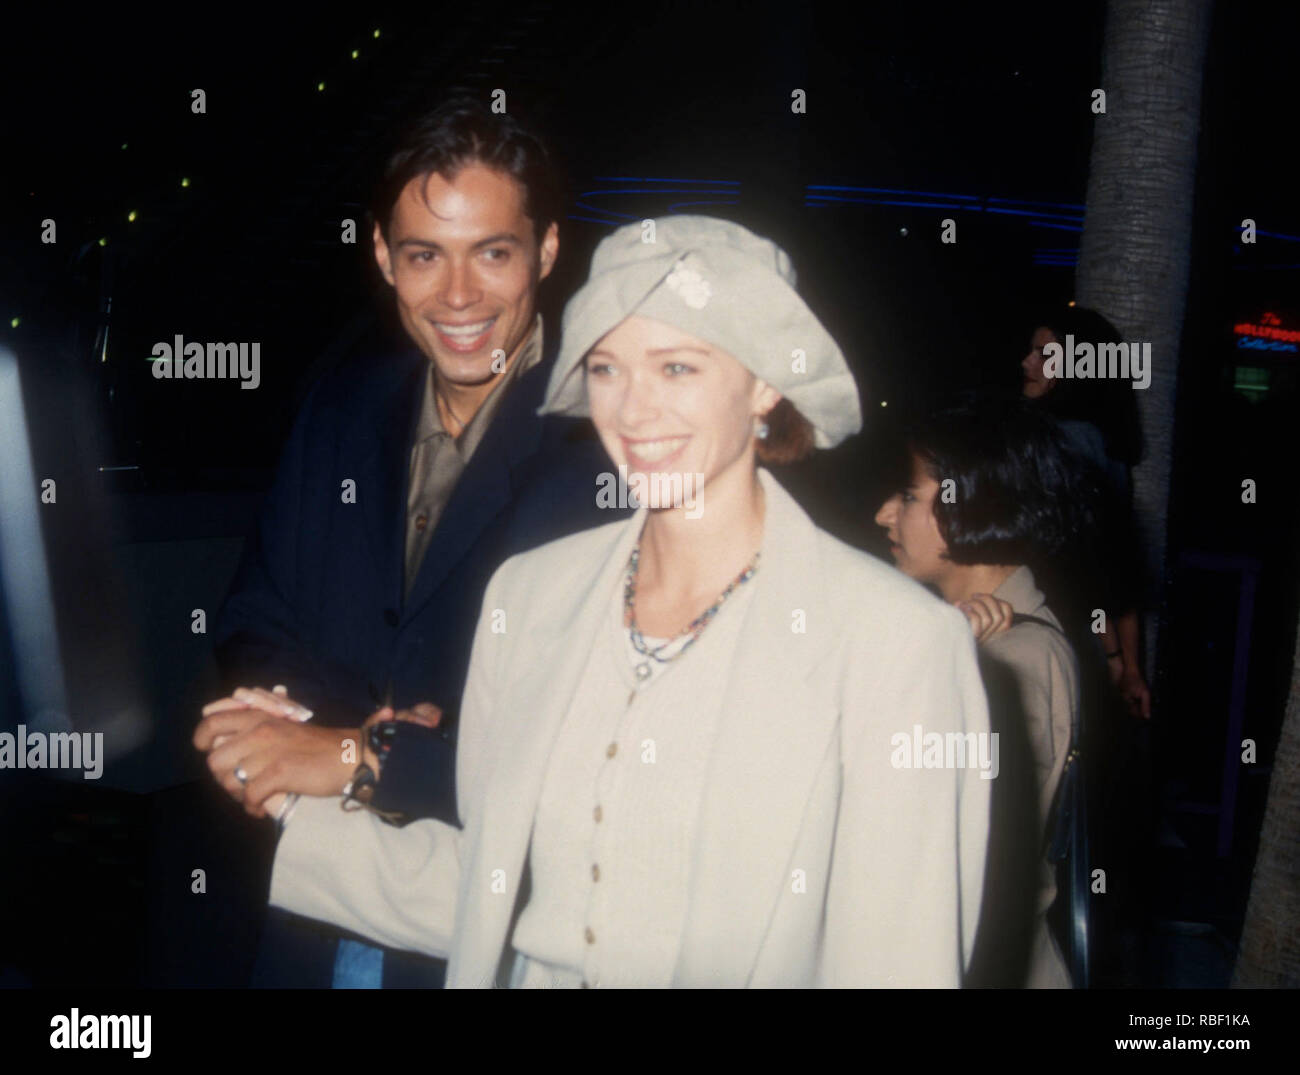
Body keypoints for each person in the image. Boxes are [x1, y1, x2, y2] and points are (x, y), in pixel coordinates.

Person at [212, 216, 993, 987]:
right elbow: (491, 888)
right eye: (607, 369)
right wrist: (287, 786)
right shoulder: (530, 595)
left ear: (762, 385)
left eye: (677, 368)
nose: (631, 410)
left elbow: (896, 963)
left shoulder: (894, 644)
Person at [193, 97, 629, 988]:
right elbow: (256, 610)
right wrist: (273, 725)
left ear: (546, 252)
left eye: (492, 253)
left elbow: (607, 738)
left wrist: (370, 760)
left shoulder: (616, 441)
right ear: (385, 258)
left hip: (490, 916)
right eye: (425, 255)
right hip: (313, 892)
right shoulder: (341, 405)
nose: (458, 295)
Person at [874, 399, 1095, 987]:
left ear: (973, 503)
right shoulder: (962, 635)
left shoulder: (1014, 658)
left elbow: (935, 848)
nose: (883, 515)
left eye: (909, 496)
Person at [1020, 304, 1149, 719]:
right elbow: (1119, 567)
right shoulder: (1101, 441)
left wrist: (1112, 654)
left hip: (1058, 634)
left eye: (1044, 354)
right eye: (1031, 350)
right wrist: (1129, 666)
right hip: (1084, 642)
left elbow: (1085, 570)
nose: (1027, 362)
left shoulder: (1064, 441)